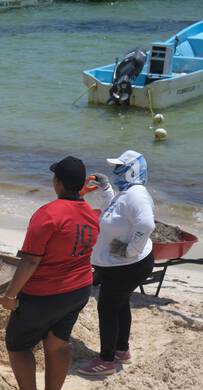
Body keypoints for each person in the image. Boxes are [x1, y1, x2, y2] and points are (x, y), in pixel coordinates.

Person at [0, 157, 99, 390]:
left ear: (58, 183)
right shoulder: (91, 213)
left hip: (44, 294)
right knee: (57, 343)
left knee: (18, 345)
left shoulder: (48, 214)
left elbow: (31, 259)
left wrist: (10, 294)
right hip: (78, 289)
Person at [83, 149, 155, 376]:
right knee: (120, 304)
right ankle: (121, 350)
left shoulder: (137, 195)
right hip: (121, 266)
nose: (115, 172)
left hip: (126, 266)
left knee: (107, 308)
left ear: (133, 170)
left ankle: (106, 360)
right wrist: (106, 189)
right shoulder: (127, 193)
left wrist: (130, 251)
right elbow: (113, 211)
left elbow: (146, 225)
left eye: (120, 168)